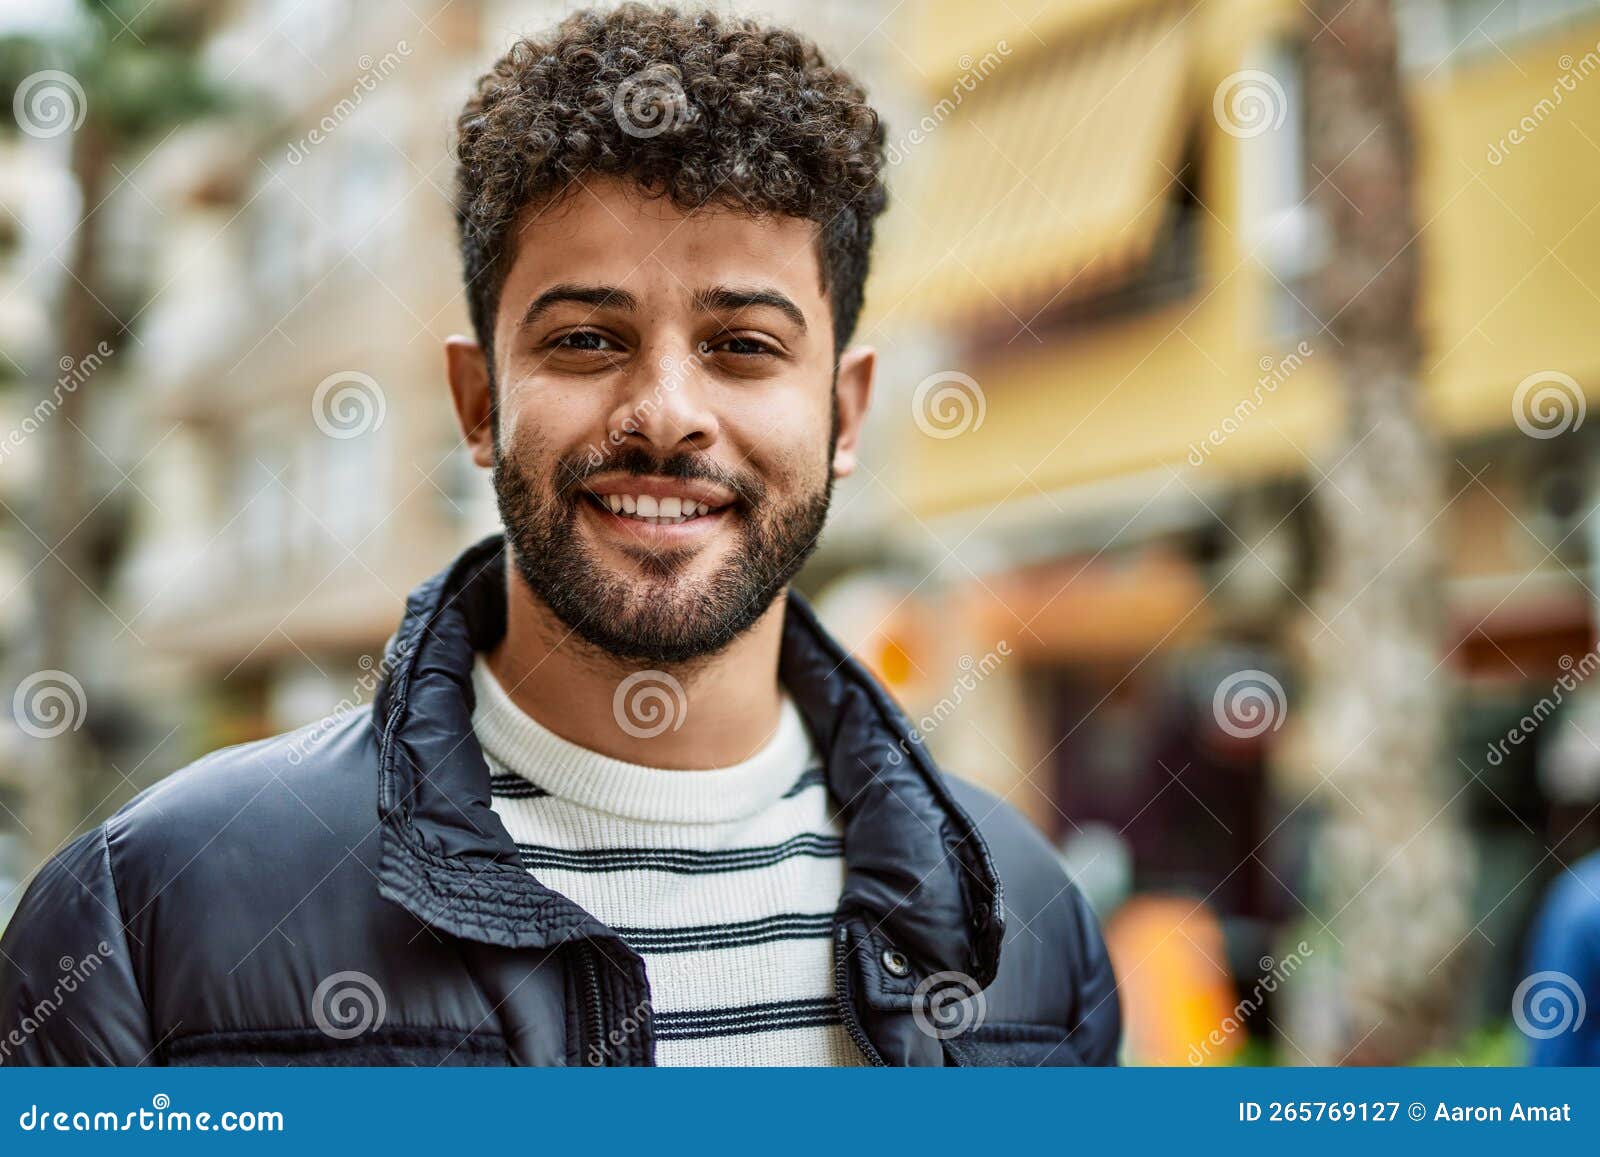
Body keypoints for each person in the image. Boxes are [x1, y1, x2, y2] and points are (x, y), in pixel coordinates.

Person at [0, 3, 1119, 1067]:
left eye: (742, 344)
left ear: (844, 412)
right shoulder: (148, 913)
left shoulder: (1028, 925)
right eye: (586, 338)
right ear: (479, 402)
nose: (667, 410)